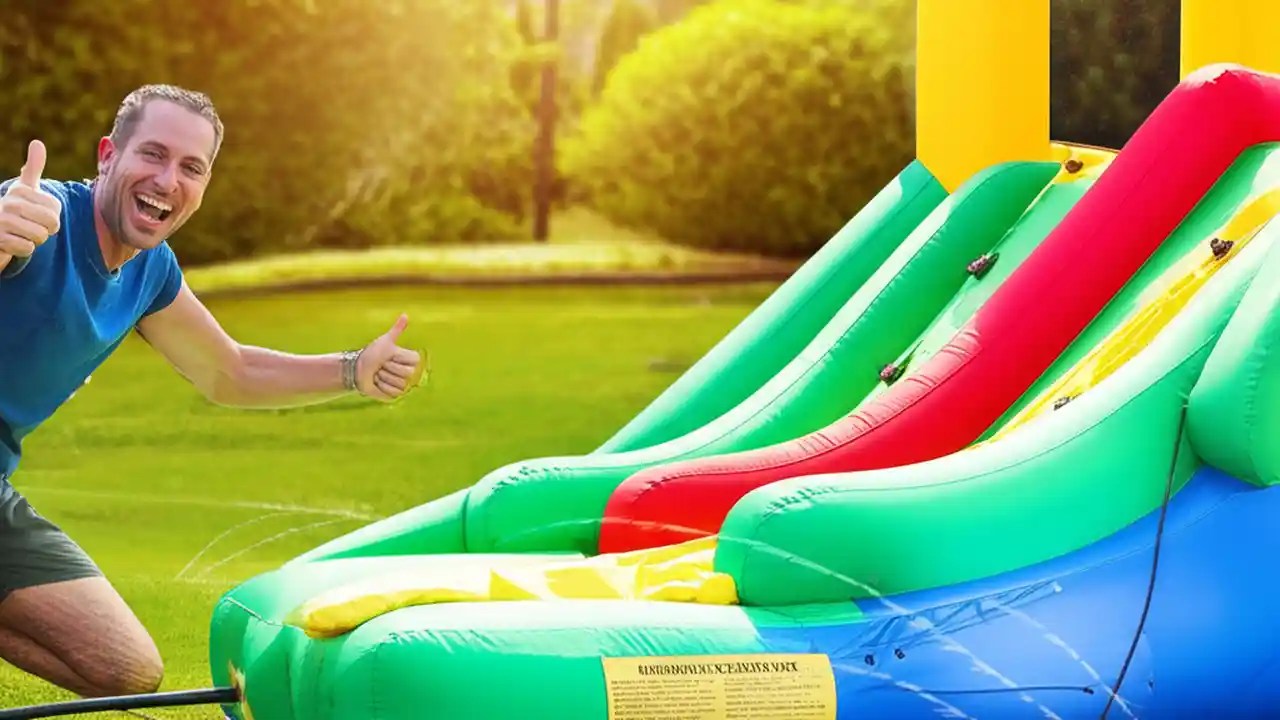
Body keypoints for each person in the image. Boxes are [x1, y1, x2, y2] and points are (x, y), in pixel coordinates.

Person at [0, 85, 426, 698]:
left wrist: (354, 369)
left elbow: (230, 372)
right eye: (152, 154)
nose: (168, 179)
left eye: (191, 168)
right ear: (106, 156)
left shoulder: (149, 271)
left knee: (127, 671)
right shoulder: (40, 217)